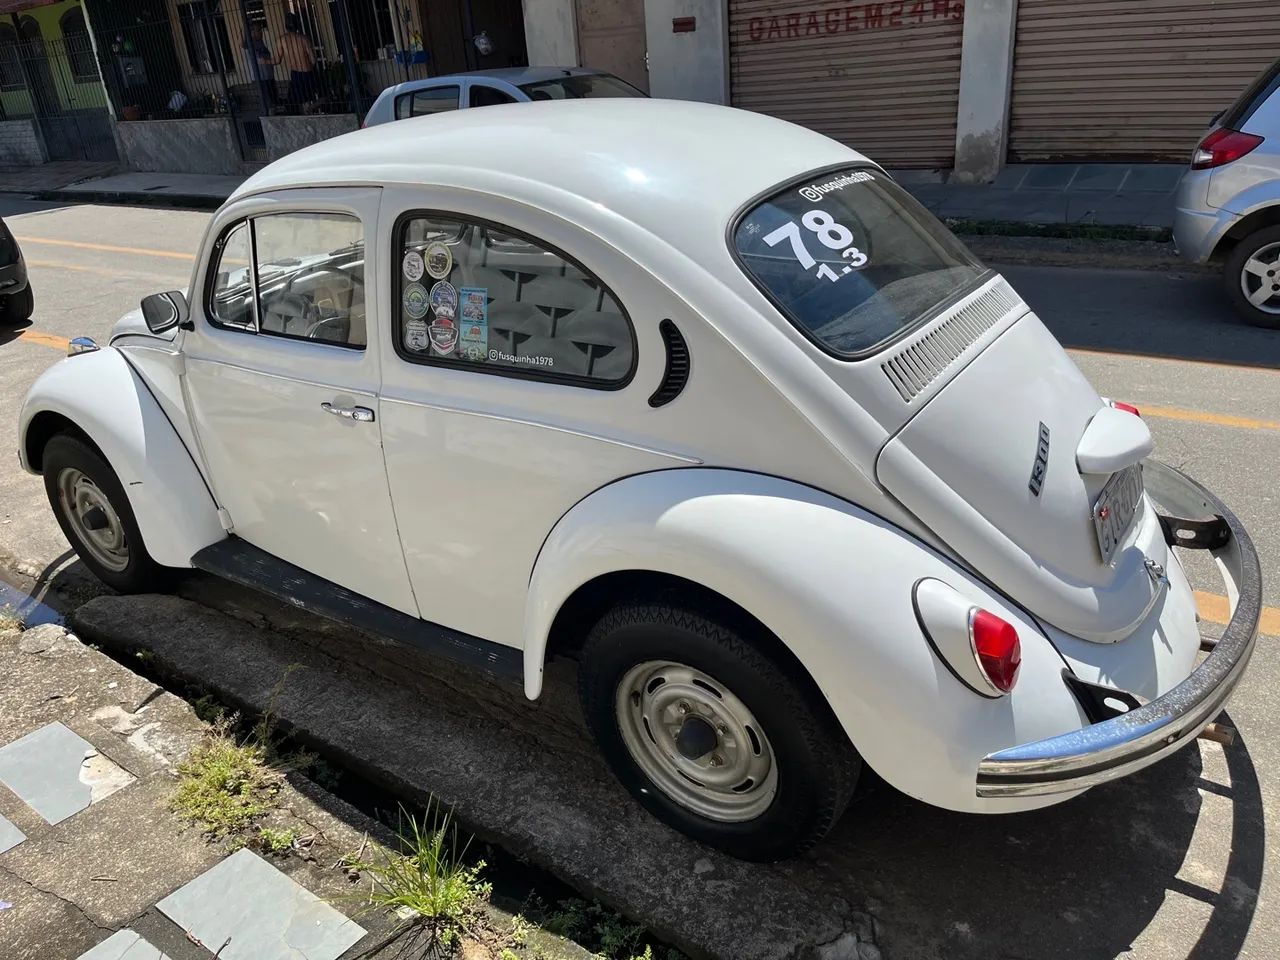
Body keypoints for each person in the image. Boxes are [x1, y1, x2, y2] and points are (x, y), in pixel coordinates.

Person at [277, 13, 317, 108]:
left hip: (295, 73)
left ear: (286, 26)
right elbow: (313, 59)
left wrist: (265, 61)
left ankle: (302, 110)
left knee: (297, 99)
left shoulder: (282, 40)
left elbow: (277, 59)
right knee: (308, 98)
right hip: (307, 72)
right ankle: (309, 109)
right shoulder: (304, 39)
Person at [242, 22, 276, 110]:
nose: (261, 32)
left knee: (273, 99)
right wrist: (242, 30)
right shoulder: (250, 43)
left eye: (261, 30)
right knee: (268, 102)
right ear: (252, 32)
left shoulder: (260, 42)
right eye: (258, 30)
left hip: (268, 76)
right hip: (261, 78)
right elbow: (241, 44)